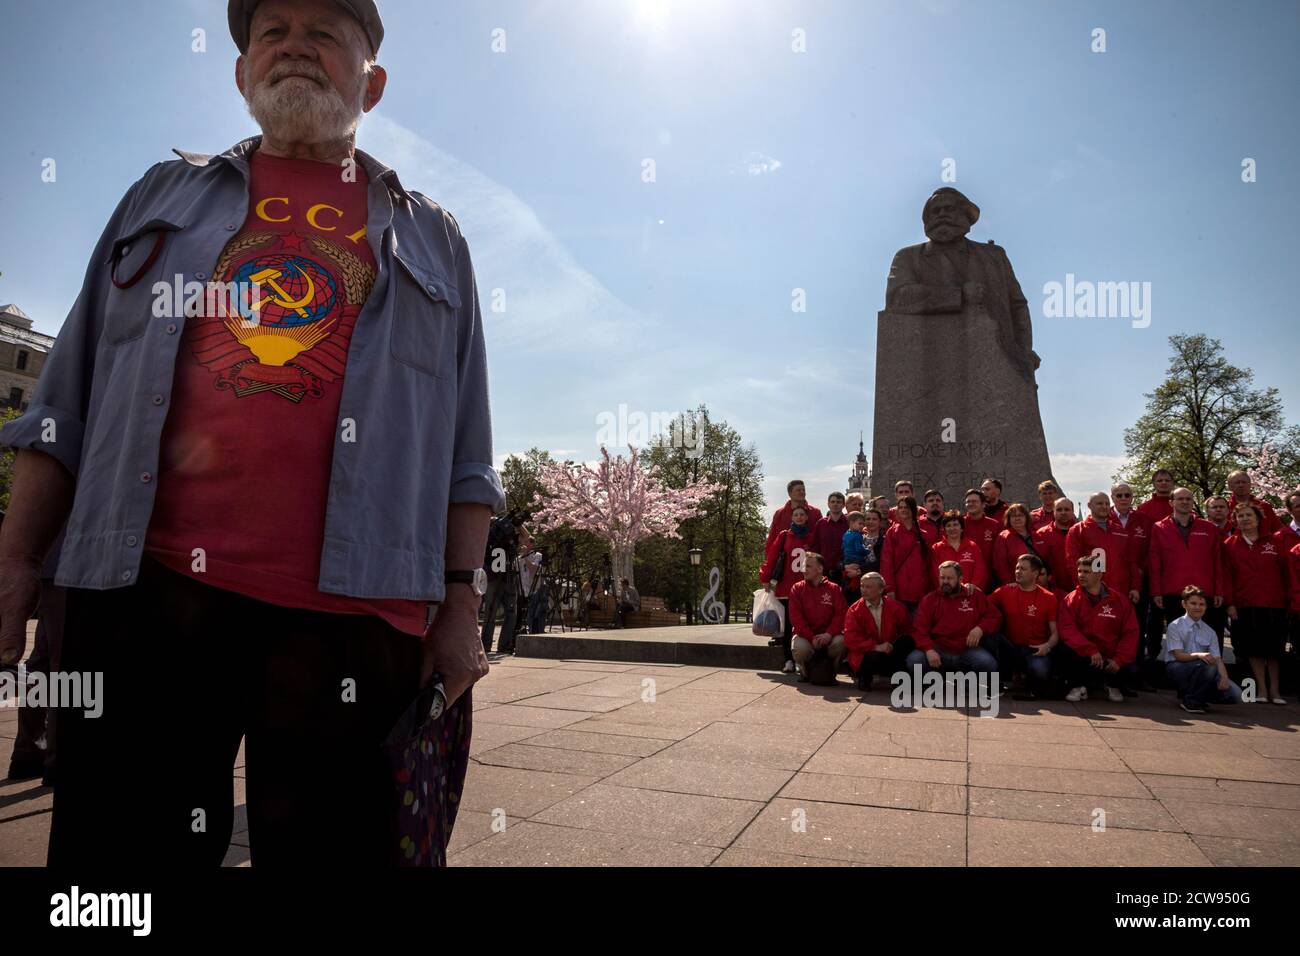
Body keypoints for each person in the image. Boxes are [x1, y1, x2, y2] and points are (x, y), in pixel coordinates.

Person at [0, 0, 502, 868]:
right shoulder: (159, 196)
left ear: (372, 83)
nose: (293, 47)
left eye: (325, 32)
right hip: (140, 599)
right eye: (271, 31)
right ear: (240, 73)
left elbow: (468, 453)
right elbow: (63, 399)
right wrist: (14, 562)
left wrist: (461, 604)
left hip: (358, 618)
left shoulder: (435, 238)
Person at [1223, 504, 1288, 705]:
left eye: (1249, 515)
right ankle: (1260, 689)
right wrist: (1231, 603)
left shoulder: (1275, 542)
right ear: (1235, 520)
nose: (1245, 519)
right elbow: (1227, 577)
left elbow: (1287, 573)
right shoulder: (1229, 544)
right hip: (1245, 604)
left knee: (1274, 650)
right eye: (1240, 516)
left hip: (1274, 604)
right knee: (1253, 649)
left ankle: (1275, 690)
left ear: (1258, 519)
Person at [1059, 557, 1141, 703]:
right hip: (1085, 656)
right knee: (1065, 651)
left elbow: (1131, 633)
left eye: (1086, 572)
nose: (1081, 575)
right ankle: (1077, 686)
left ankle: (1111, 685)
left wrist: (1119, 660)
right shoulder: (1070, 599)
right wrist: (1090, 650)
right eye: (1079, 571)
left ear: (1099, 574)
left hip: (1111, 658)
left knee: (1133, 669)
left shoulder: (1120, 601)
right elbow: (1067, 629)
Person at [904, 562, 1002, 681]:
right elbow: (919, 629)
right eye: (942, 577)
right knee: (914, 660)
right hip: (939, 649)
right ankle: (937, 681)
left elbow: (994, 616)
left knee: (987, 664)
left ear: (960, 578)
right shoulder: (930, 599)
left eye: (949, 578)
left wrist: (980, 628)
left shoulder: (974, 595)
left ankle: (964, 683)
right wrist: (928, 649)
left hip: (966, 650)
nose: (945, 581)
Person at [1149, 488, 1225, 636]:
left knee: (1209, 640)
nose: (1185, 502)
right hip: (1174, 593)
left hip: (1204, 593)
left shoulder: (1209, 528)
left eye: (1188, 499)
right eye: (1180, 499)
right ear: (1171, 502)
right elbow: (1155, 562)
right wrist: (1156, 591)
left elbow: (1218, 562)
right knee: (1178, 641)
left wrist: (1219, 591)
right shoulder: (1159, 527)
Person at [987, 554, 1060, 698]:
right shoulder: (1005, 590)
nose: (1018, 571)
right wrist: (969, 588)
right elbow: (981, 605)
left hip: (1035, 650)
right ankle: (997, 683)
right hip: (1011, 648)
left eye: (1023, 569)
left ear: (1035, 574)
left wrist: (1047, 646)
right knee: (990, 637)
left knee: (1041, 672)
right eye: (1017, 568)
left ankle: (1029, 681)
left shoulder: (1049, 598)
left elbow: (1055, 633)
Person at [1162, 586, 1243, 714]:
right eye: (1193, 603)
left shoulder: (1210, 632)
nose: (1197, 607)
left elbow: (1217, 658)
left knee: (1236, 694)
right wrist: (1199, 654)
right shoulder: (1175, 626)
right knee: (1208, 666)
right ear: (1184, 604)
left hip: (1202, 669)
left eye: (1202, 604)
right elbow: (1178, 655)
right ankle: (1191, 702)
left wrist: (1224, 678)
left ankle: (1198, 696)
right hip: (1177, 668)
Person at [761, 503, 814, 673]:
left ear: (806, 518)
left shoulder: (812, 537)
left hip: (806, 588)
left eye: (802, 515)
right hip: (786, 588)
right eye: (796, 515)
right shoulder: (784, 536)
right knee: (788, 626)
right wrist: (765, 577)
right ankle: (788, 660)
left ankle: (803, 659)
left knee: (804, 624)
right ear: (792, 518)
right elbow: (772, 557)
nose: (799, 517)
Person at [1066, 492, 1141, 606]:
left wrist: (1135, 587)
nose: (1104, 506)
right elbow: (1072, 562)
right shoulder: (1077, 530)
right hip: (1093, 593)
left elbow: (1131, 562)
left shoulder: (1120, 531)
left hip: (1121, 592)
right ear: (1089, 505)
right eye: (1099, 503)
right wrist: (1082, 587)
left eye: (1107, 503)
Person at [843, 572, 913, 691]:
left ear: (881, 590)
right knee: (872, 656)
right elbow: (851, 638)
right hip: (868, 654)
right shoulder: (854, 610)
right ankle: (865, 678)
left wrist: (892, 646)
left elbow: (907, 630)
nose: (864, 590)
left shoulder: (896, 608)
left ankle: (899, 678)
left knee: (906, 641)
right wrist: (875, 646)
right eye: (862, 586)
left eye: (868, 587)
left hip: (890, 651)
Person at [788, 553, 848, 682]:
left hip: (829, 636)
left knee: (842, 641)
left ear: (820, 569)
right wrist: (811, 637)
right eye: (804, 566)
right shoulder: (797, 588)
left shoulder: (834, 589)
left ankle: (830, 674)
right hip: (807, 636)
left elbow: (841, 615)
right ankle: (806, 674)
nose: (804, 569)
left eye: (808, 566)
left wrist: (829, 634)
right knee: (799, 647)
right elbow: (796, 618)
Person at [880, 496, 933, 613]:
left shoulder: (924, 534)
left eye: (907, 507)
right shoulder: (893, 532)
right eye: (901, 507)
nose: (903, 510)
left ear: (913, 509)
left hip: (921, 590)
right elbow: (886, 562)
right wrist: (889, 588)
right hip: (899, 590)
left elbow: (929, 563)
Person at [930, 511, 989, 591]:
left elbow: (980, 571)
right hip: (946, 593)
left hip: (969, 594)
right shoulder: (936, 548)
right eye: (948, 526)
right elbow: (935, 574)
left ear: (962, 528)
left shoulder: (972, 546)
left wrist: (972, 586)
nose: (952, 528)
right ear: (944, 529)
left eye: (955, 525)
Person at [1034, 497, 1078, 597]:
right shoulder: (1041, 534)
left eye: (1067, 509)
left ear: (1072, 512)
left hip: (1079, 587)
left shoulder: (1081, 532)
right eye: (1059, 509)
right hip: (1052, 591)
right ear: (1053, 512)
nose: (1063, 512)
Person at [765, 480, 822, 553]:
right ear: (790, 493)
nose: (802, 492)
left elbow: (820, 538)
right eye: (798, 490)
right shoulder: (780, 514)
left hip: (809, 557)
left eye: (803, 490)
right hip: (785, 558)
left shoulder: (815, 513)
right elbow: (772, 539)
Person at [993, 503, 1041, 585]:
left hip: (1038, 581)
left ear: (1026, 517)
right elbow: (1000, 564)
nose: (1017, 518)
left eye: (1020, 515)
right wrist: (1009, 582)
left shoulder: (1036, 534)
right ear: (1009, 519)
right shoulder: (1003, 537)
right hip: (1015, 583)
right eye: (1013, 516)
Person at [1225, 469, 1282, 535]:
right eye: (1237, 482)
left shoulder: (1264, 507)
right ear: (1229, 486)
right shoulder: (1225, 508)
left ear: (1250, 484)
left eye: (1244, 482)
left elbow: (1278, 531)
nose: (1241, 485)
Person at [963, 489, 1003, 575]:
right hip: (965, 572)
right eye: (968, 502)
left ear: (983, 504)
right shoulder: (959, 524)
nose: (970, 504)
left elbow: (999, 551)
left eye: (974, 501)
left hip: (990, 573)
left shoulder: (994, 524)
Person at [812, 492, 849, 581]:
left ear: (843, 505)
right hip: (824, 572)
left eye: (838, 502)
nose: (835, 504)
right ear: (828, 504)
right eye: (832, 502)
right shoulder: (821, 524)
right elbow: (815, 547)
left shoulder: (849, 523)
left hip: (845, 571)